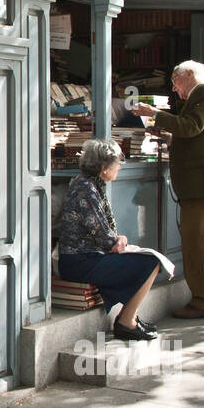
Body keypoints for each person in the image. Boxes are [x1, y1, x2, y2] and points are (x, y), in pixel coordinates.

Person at [132, 61, 204, 318]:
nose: (175, 88)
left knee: (197, 244)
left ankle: (203, 300)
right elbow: (196, 134)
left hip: (200, 182)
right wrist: (168, 135)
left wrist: (155, 113)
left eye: (176, 81)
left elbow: (191, 127)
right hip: (203, 182)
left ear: (189, 74)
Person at [57, 139, 162, 340]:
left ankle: (130, 318)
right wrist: (120, 240)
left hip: (88, 258)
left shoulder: (90, 184)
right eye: (117, 163)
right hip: (80, 262)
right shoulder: (86, 189)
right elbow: (108, 240)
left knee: (147, 261)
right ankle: (126, 322)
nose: (120, 167)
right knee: (152, 262)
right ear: (104, 167)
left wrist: (118, 240)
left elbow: (106, 233)